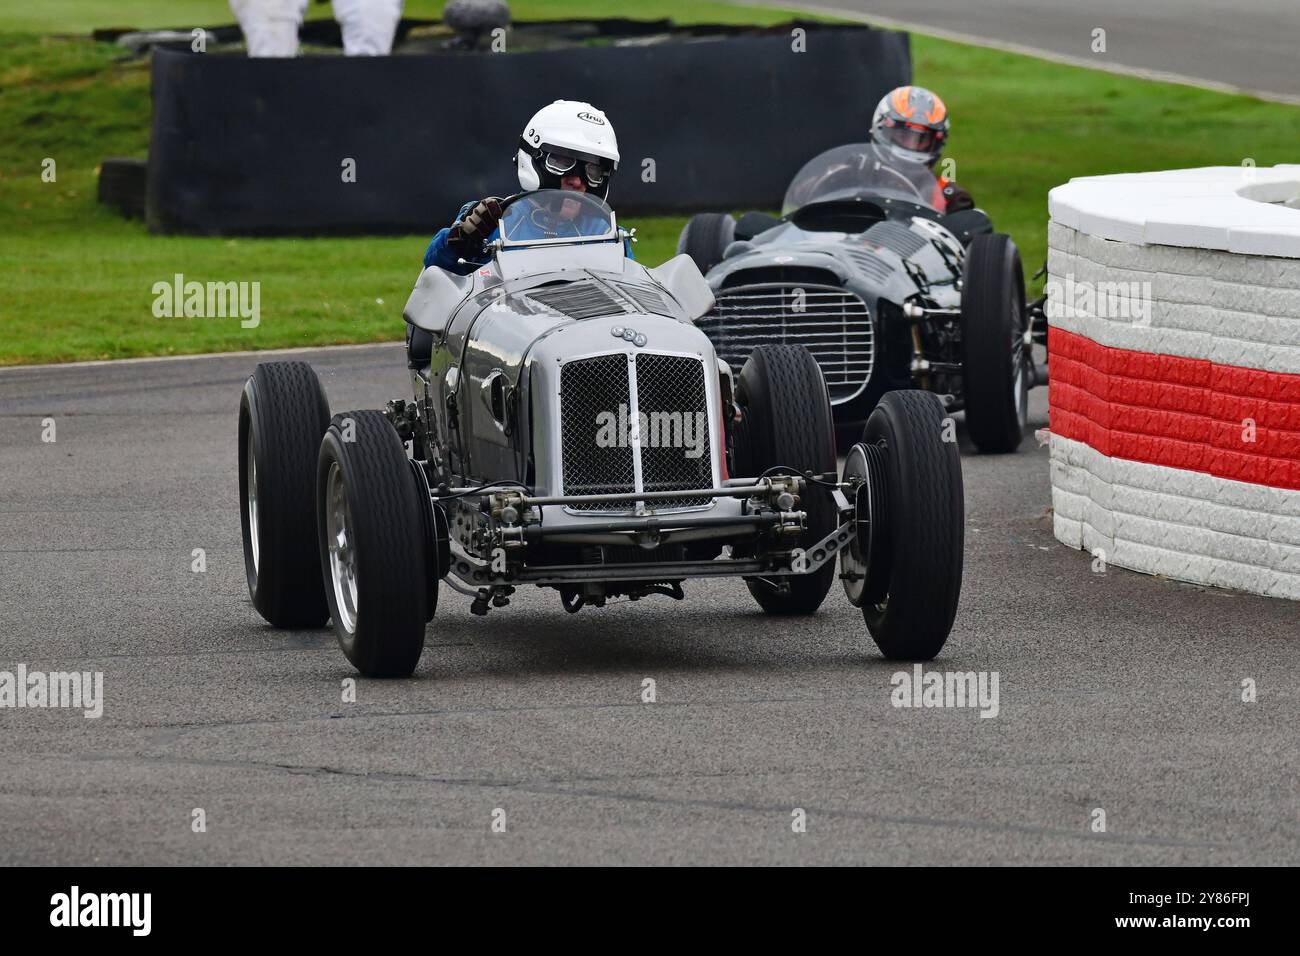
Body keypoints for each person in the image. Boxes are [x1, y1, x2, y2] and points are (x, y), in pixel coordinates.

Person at [422, 100, 623, 274]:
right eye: (563, 162)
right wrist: (457, 243)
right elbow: (435, 277)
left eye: (593, 171)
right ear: (533, 158)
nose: (578, 181)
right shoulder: (488, 220)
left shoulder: (607, 233)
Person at [869, 85, 975, 214]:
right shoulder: (853, 173)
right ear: (881, 128)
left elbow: (969, 228)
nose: (911, 145)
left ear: (936, 142)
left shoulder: (948, 197)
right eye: (903, 135)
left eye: (921, 140)